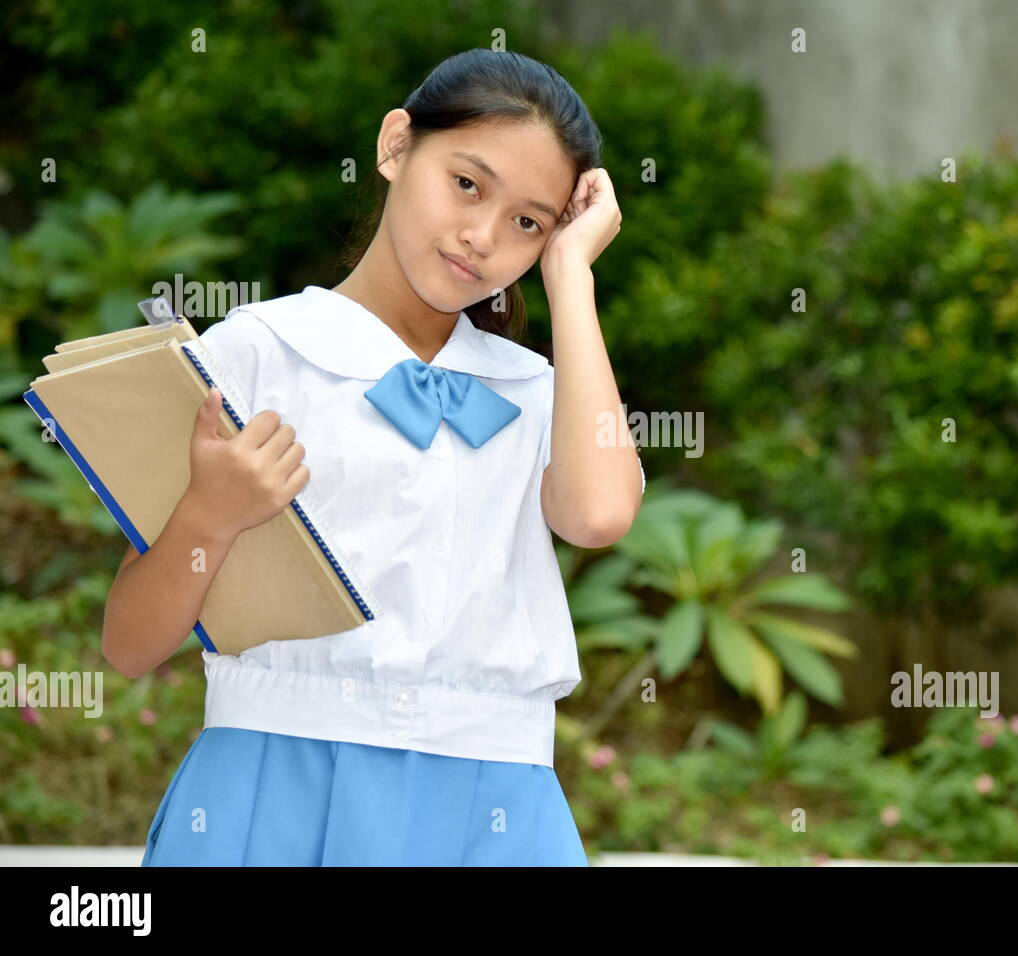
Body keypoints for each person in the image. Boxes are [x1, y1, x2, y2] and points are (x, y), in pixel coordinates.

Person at [102, 48, 644, 866]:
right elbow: (130, 645)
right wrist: (209, 512)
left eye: (529, 223)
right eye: (467, 184)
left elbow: (600, 515)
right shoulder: (257, 353)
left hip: (493, 806)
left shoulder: (535, 390)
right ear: (396, 145)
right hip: (271, 786)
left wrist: (573, 276)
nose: (482, 236)